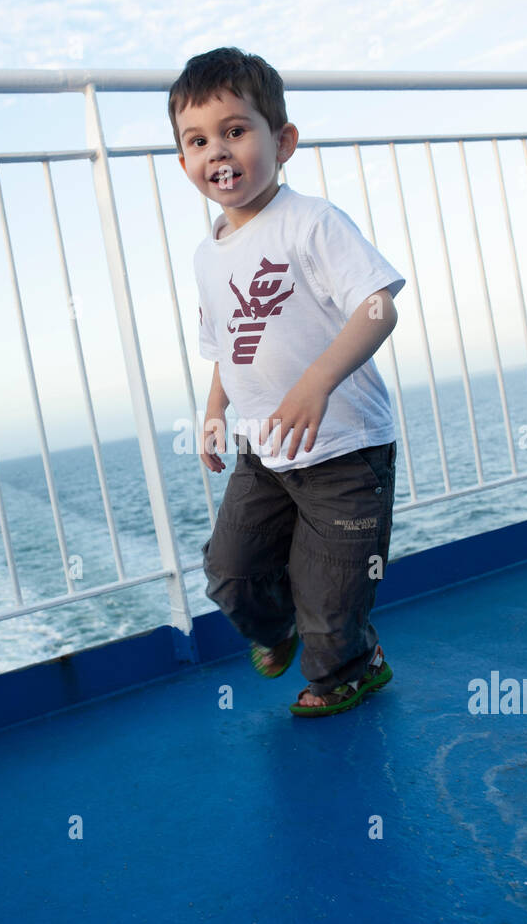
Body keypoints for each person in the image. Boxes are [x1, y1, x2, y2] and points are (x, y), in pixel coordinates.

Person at [168, 47, 405, 716]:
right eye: (197, 140)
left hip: (343, 451)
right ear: (184, 162)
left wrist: (316, 384)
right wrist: (213, 409)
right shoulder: (206, 256)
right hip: (265, 452)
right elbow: (225, 344)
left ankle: (351, 665)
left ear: (283, 140)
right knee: (231, 573)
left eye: (236, 130)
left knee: (331, 603)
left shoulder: (311, 222)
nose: (218, 149)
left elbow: (378, 305)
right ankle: (276, 630)